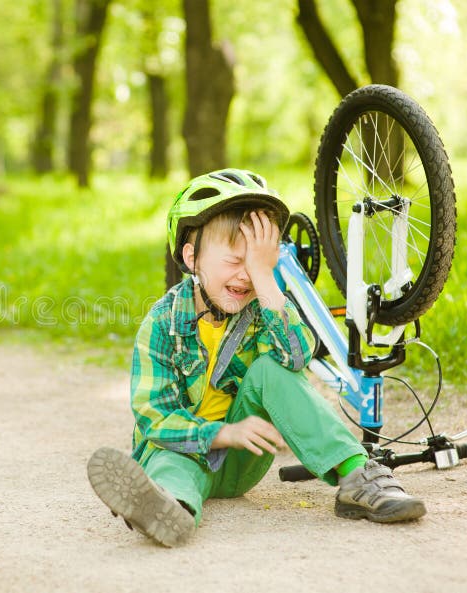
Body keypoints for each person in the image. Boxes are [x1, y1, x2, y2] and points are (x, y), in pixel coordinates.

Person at [87, 168, 427, 547]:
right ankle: (169, 508)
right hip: (183, 449)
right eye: (235, 261)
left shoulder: (261, 311)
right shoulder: (162, 323)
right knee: (169, 463)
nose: (246, 276)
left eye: (257, 264)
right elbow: (155, 418)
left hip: (240, 462)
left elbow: (297, 358)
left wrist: (268, 281)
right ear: (191, 256)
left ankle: (357, 477)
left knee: (271, 369)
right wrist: (221, 433)